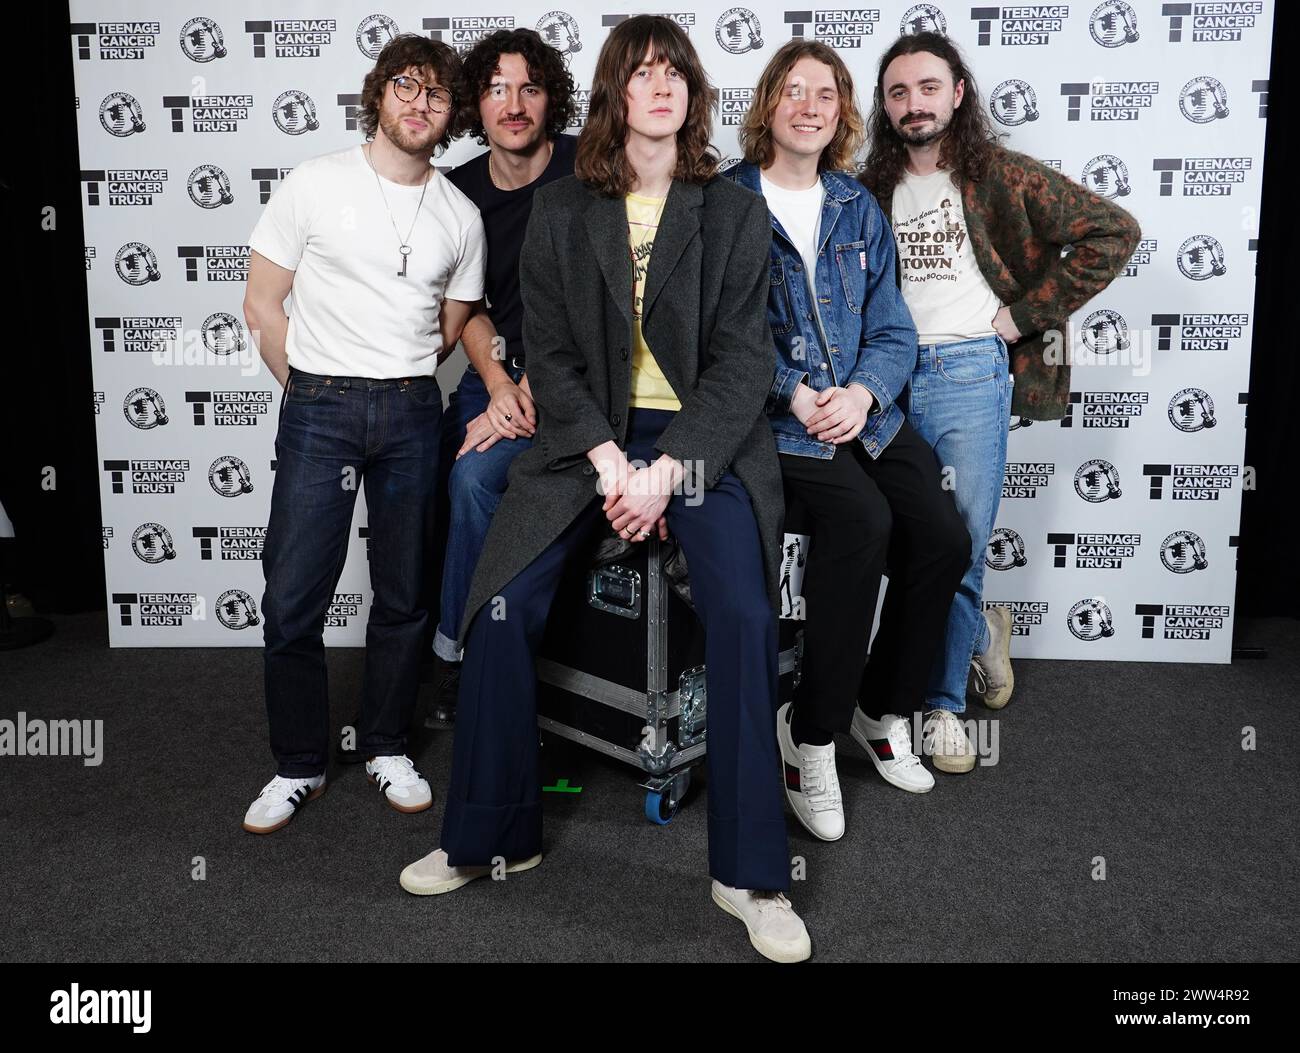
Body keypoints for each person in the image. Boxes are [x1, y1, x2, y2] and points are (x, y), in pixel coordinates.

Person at [399, 14, 811, 964]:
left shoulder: (734, 210)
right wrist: (608, 461)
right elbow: (548, 353)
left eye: (676, 73)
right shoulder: (564, 210)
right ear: (617, 93)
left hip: (702, 445)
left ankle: (751, 874)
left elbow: (745, 365)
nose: (660, 87)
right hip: (590, 444)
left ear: (691, 95)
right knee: (499, 608)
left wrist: (667, 471)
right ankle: (490, 836)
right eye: (643, 72)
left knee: (746, 615)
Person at [861, 32, 1141, 770]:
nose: (912, 104)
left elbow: (1114, 231)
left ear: (958, 93)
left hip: (967, 375)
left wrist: (1023, 317)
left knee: (958, 543)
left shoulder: (1001, 176)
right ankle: (981, 634)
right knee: (888, 538)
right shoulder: (866, 189)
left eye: (927, 87)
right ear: (884, 106)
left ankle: (943, 705)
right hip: (881, 381)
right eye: (897, 92)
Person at [240, 34, 486, 832]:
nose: (421, 105)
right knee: (292, 596)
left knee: (405, 592)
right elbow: (262, 302)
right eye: (407, 88)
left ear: (451, 114)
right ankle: (300, 762)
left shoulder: (460, 213)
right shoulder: (315, 183)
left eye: (438, 96)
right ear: (379, 93)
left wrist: (390, 379)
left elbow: (449, 326)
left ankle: (385, 743)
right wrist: (312, 388)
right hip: (321, 405)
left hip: (414, 409)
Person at [730, 41, 968, 838]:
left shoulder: (854, 204)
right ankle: (811, 733)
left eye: (824, 95)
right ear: (768, 104)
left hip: (866, 409)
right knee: (864, 522)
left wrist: (863, 392)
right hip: (776, 425)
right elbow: (713, 333)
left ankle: (880, 703)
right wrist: (795, 393)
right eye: (793, 91)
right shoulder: (722, 203)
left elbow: (893, 328)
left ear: (841, 113)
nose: (808, 106)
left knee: (942, 532)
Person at [426, 28, 579, 725]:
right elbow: (469, 308)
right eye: (495, 90)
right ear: (474, 106)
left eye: (529, 87)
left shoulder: (589, 173)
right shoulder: (454, 194)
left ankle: (461, 658)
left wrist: (535, 392)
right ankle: (451, 650)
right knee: (433, 467)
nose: (513, 105)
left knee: (476, 476)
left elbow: (610, 313)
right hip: (495, 370)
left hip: (577, 376)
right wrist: (496, 385)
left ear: (552, 99)